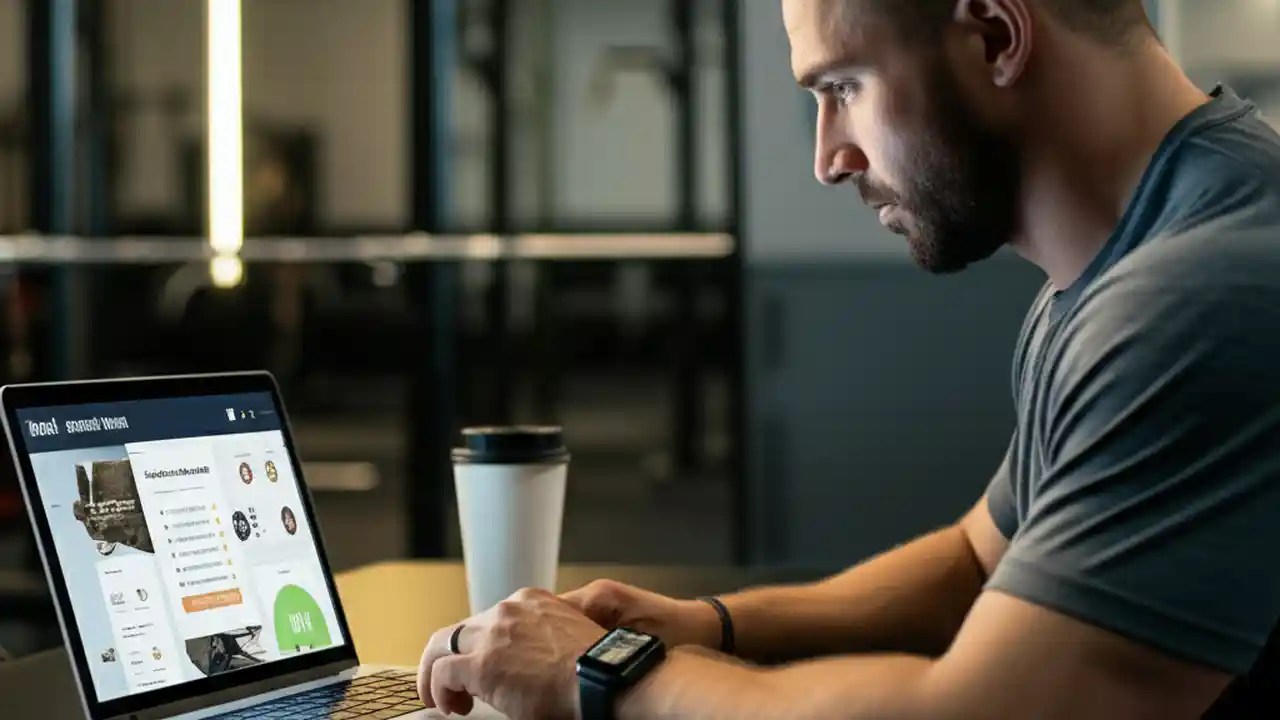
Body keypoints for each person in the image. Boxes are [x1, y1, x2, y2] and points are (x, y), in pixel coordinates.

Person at [416, 1, 1280, 717]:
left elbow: (977, 716)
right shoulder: (1122, 269)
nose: (830, 156)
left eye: (843, 87)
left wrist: (600, 675)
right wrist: (700, 628)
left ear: (993, 35)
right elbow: (978, 563)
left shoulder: (1196, 300)